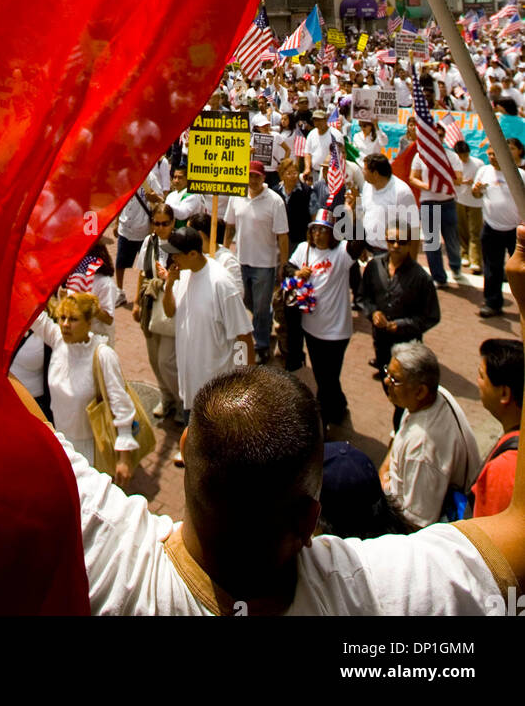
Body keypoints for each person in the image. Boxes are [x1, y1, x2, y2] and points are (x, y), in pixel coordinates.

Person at [51, 230, 525, 614]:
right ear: (310, 520)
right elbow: (517, 541)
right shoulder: (370, 597)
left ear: (188, 446)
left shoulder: (113, 565)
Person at [161, 226, 254, 462]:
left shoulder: (222, 284)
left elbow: (243, 336)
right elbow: (170, 312)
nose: (172, 259)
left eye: (177, 254)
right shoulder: (182, 275)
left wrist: (246, 380)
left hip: (216, 387)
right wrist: (169, 285)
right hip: (190, 380)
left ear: (193, 254)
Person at [31, 292, 138, 484]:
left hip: (93, 448)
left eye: (73, 319)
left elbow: (120, 402)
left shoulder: (102, 355)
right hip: (63, 444)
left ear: (89, 323)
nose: (65, 324)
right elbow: (34, 315)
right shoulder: (58, 340)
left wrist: (124, 457)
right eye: (62, 317)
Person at [379, 340, 481, 529]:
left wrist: (383, 478)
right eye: (387, 373)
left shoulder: (422, 447)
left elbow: (416, 522)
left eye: (395, 379)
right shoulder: (436, 395)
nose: (386, 382)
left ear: (420, 391)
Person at [288, 210, 363, 431]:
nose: (319, 234)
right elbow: (287, 268)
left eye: (324, 230)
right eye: (315, 229)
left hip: (337, 331)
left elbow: (359, 242)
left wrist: (352, 214)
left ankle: (323, 421)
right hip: (310, 327)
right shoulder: (304, 249)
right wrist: (297, 273)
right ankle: (338, 406)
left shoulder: (341, 253)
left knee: (328, 376)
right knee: (324, 376)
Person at [223, 160, 289, 363]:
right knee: (248, 302)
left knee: (259, 308)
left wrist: (283, 264)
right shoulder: (237, 197)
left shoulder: (275, 201)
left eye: (256, 176)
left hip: (265, 264)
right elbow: (229, 227)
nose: (252, 180)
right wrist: (225, 252)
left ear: (264, 178)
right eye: (250, 176)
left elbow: (283, 236)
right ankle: (266, 322)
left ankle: (261, 344)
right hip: (241, 260)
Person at [358, 223, 440, 375]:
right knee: (386, 378)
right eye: (391, 241)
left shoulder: (421, 278)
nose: (396, 246)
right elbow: (363, 297)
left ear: (410, 244)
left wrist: (400, 325)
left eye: (401, 242)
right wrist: (373, 313)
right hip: (380, 341)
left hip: (407, 344)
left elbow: (431, 316)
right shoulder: (374, 266)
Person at [132, 204, 182, 420]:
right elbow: (143, 272)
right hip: (151, 301)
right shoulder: (149, 242)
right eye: (156, 223)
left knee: (167, 359)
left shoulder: (178, 244)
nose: (160, 228)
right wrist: (136, 302)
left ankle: (181, 400)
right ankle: (166, 396)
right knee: (154, 356)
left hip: (171, 302)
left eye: (165, 224)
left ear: (172, 223)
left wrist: (168, 279)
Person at [472, 141, 525, 317]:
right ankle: (493, 303)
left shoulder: (521, 175)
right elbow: (475, 193)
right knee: (492, 268)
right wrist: (477, 191)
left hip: (516, 231)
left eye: (495, 154)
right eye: (489, 154)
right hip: (491, 228)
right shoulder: (484, 172)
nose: (492, 157)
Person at [472, 337, 523, 516]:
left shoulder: (504, 469)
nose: (478, 382)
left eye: (481, 376)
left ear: (504, 393)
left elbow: (487, 538)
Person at [409, 121, 463, 286]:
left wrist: (443, 178)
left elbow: (459, 179)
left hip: (447, 203)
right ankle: (439, 277)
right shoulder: (420, 156)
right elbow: (413, 178)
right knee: (432, 242)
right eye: (434, 134)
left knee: (451, 240)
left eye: (440, 134)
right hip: (428, 203)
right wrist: (427, 186)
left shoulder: (452, 156)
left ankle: (455, 265)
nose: (437, 137)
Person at [113, 166, 166, 305]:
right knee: (120, 263)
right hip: (125, 228)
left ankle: (143, 293)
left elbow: (161, 201)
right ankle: (119, 291)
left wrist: (155, 198)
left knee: (145, 265)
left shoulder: (150, 179)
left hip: (143, 230)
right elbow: (120, 200)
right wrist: (117, 222)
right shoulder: (124, 178)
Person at [453, 138, 483, 274]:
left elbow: (483, 180)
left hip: (476, 202)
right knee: (462, 230)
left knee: (475, 232)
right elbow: (450, 180)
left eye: (465, 155)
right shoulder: (454, 164)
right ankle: (464, 254)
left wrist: (476, 184)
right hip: (460, 200)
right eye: (461, 155)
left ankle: (475, 260)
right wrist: (461, 182)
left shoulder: (478, 164)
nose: (463, 158)